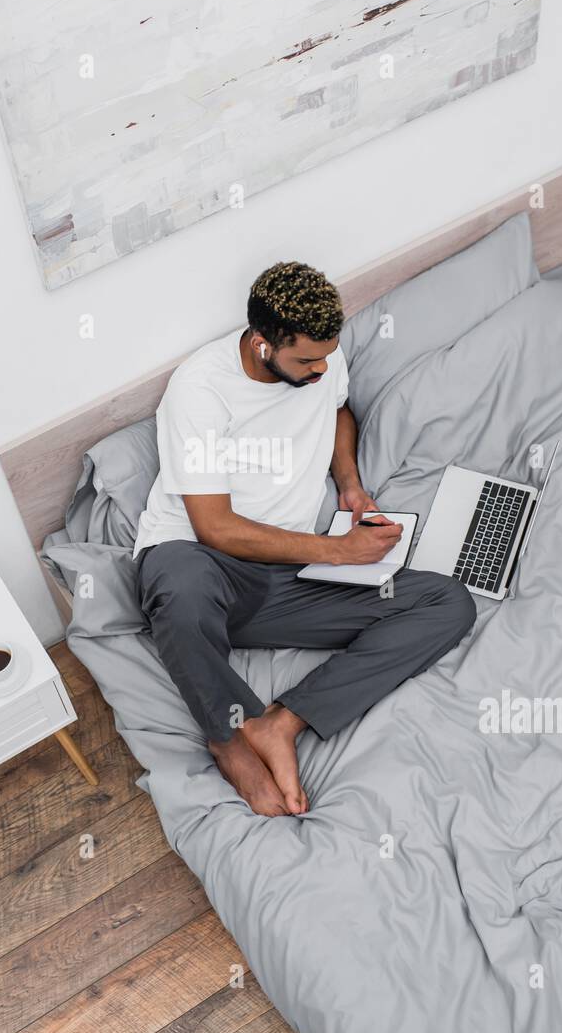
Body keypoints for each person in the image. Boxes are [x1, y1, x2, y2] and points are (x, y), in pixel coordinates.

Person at [134, 261, 475, 817]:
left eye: (327, 355)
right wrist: (337, 552)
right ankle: (228, 739)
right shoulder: (199, 390)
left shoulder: (324, 360)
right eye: (307, 360)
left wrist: (351, 486)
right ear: (264, 346)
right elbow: (213, 528)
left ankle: (281, 724)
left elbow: (339, 409)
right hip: (203, 563)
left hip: (288, 574)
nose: (322, 368)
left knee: (447, 603)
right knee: (182, 589)